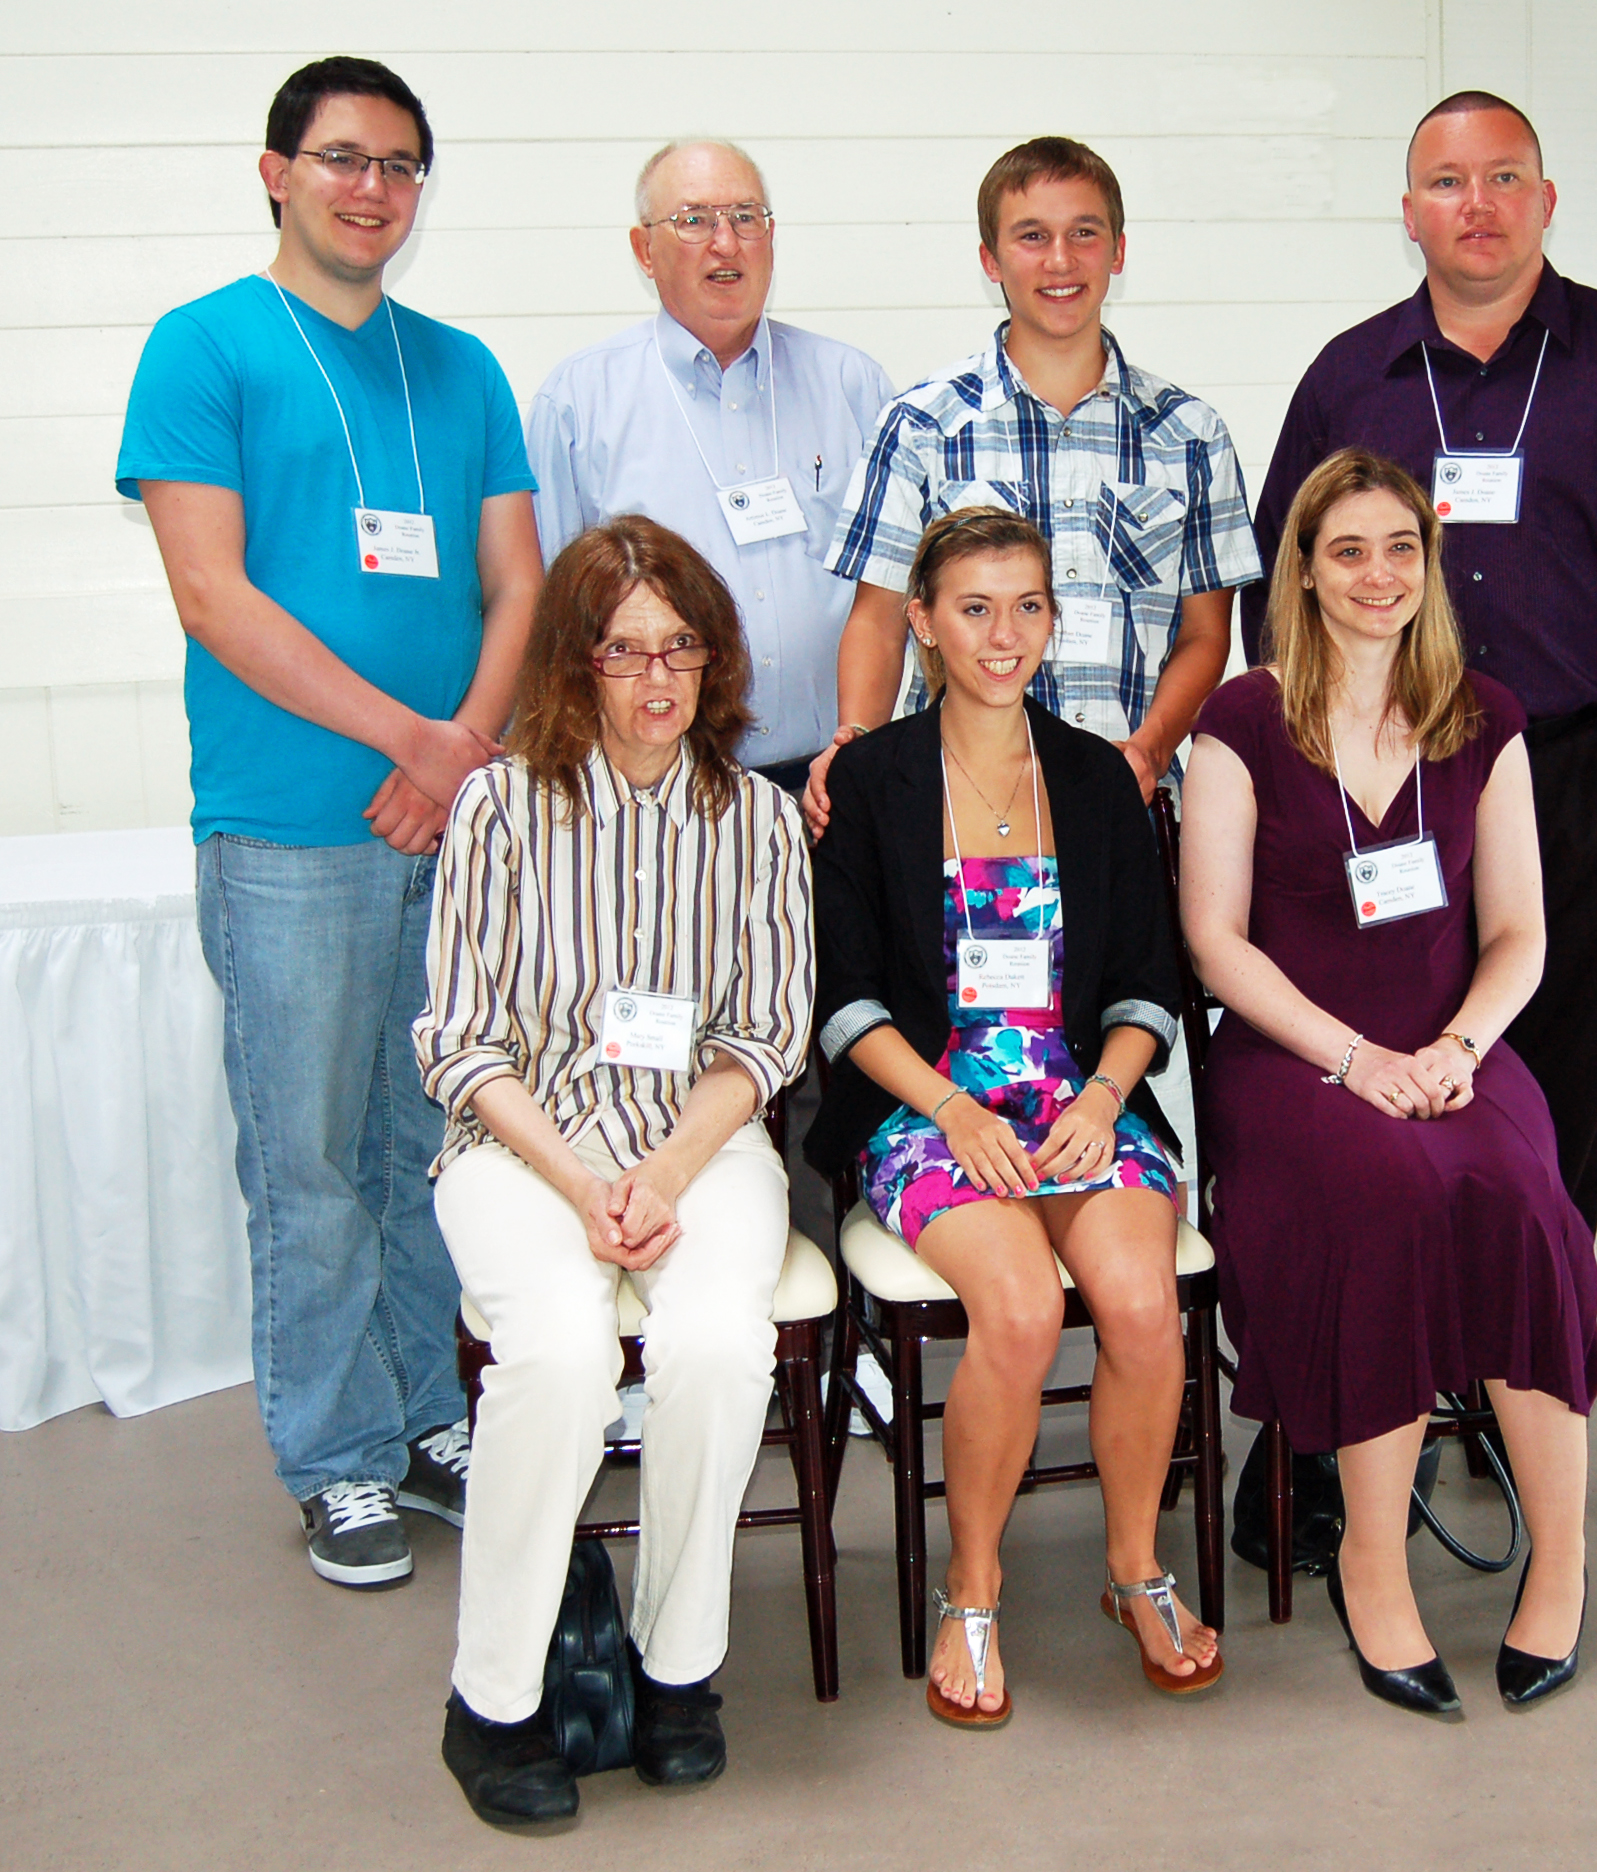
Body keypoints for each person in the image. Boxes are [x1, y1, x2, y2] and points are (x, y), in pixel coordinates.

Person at [115, 57, 543, 1587]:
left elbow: (518, 585)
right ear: (277, 172)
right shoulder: (204, 347)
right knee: (304, 1159)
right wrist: (411, 740)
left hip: (455, 827)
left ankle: (425, 1418)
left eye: (400, 165)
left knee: (431, 1140)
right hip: (289, 827)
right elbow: (212, 593)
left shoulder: (462, 368)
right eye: (344, 158)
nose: (373, 189)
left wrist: (463, 753)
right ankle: (337, 1458)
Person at [1241, 90, 1597, 1235]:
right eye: (1448, 182)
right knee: (1391, 1060)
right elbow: (1279, 583)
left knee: (1557, 1080)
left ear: (1547, 199)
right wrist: (1316, 761)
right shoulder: (1351, 376)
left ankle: (1545, 1318)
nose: (1478, 204)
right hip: (1388, 783)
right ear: (1409, 212)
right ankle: (1416, 1309)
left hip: (1579, 777)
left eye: (1504, 177)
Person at [1183, 448, 1597, 1715]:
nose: (1379, 574)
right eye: (1348, 550)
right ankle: (1371, 1558)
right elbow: (1215, 941)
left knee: (1525, 1206)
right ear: (1304, 572)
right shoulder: (1242, 722)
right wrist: (1355, 1059)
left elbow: (1519, 934)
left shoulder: (1485, 716)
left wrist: (1458, 1050)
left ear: (1431, 563)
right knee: (1383, 1201)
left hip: (1452, 1048)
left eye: (1402, 548)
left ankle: (1563, 1559)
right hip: (1294, 1059)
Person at [415, 515, 813, 1824]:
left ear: (714, 659)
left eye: (680, 649)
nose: (657, 680)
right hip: (524, 1144)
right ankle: (494, 1701)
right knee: (558, 1354)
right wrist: (586, 1188)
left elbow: (765, 1034)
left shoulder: (757, 820)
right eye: (624, 651)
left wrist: (666, 1171)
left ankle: (678, 1671)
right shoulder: (497, 808)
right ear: (574, 663)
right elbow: (461, 1043)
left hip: (701, 1137)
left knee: (718, 1345)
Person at [806, 507, 1222, 1728]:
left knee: (1141, 1302)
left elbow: (1147, 983)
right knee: (1026, 1306)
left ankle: (1135, 1570)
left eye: (1028, 606)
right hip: (927, 1105)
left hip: (1080, 1099)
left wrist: (1104, 1096)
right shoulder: (869, 783)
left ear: (1054, 618)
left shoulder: (1097, 776)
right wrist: (951, 1109)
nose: (1004, 636)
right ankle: (973, 1589)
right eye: (975, 609)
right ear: (923, 624)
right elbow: (846, 1000)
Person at [806, 134, 1261, 836]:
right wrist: (857, 748)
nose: (1060, 260)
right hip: (956, 812)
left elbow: (1205, 634)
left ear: (1118, 251)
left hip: (1126, 807)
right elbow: (879, 617)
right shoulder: (920, 426)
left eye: (1084, 233)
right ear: (990, 259)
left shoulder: (1191, 435)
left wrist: (1148, 751)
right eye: (1031, 236)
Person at [525, 138, 894, 792]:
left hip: (834, 782)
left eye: (746, 217)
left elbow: (894, 592)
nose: (726, 243)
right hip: (659, 791)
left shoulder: (854, 387)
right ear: (644, 250)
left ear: (771, 237)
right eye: (694, 220)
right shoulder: (580, 402)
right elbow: (550, 622)